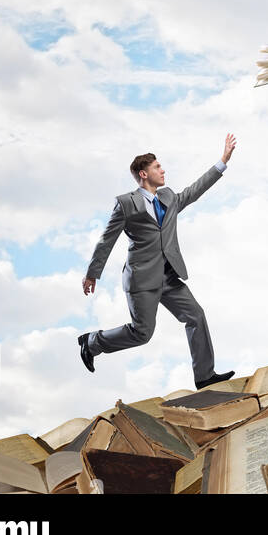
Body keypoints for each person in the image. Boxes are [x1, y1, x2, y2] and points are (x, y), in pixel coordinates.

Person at [80, 134, 237, 390]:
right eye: (157, 167)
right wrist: (92, 273)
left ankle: (204, 376)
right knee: (142, 334)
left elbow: (194, 191)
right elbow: (106, 240)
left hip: (169, 276)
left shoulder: (168, 198)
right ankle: (93, 342)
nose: (163, 170)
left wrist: (222, 161)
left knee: (196, 315)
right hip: (142, 279)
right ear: (143, 174)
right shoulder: (126, 204)